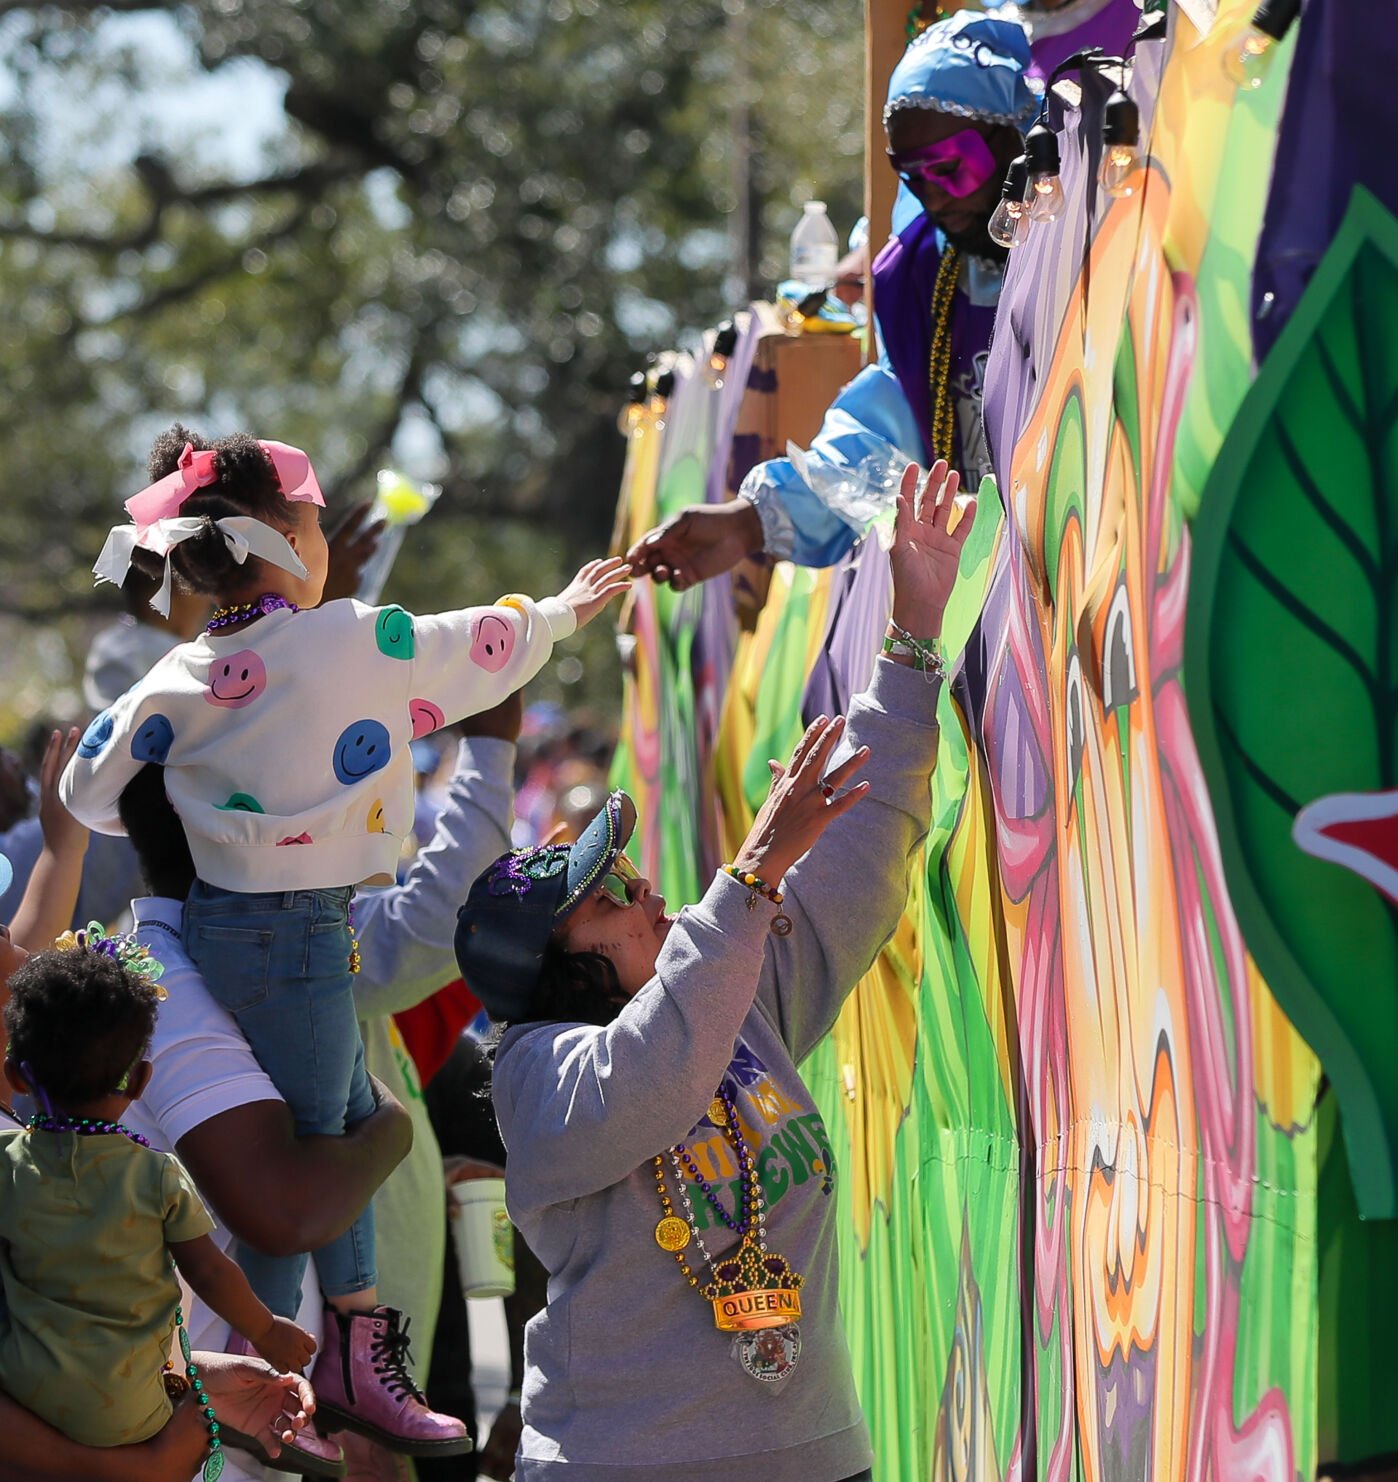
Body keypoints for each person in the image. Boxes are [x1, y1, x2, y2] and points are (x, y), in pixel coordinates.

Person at [59, 425, 629, 1454]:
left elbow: (85, 784)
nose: (324, 538)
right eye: (316, 520)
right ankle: (302, 1379)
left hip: (235, 931)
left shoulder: (183, 675)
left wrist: (196, 774)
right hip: (306, 939)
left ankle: (332, 1361)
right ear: (282, 536)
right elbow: (485, 645)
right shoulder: (352, 639)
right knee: (310, 1182)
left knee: (337, 1137)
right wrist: (571, 606)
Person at [455, 463, 973, 1480]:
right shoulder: (536, 1075)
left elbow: (859, 862)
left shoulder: (726, 978)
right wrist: (750, 877)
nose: (652, 893)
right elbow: (645, 1080)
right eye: (611, 898)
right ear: (556, 970)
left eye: (635, 875)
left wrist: (913, 632)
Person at [625, 11, 1032, 588]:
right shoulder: (921, 278)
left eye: (953, 167)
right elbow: (879, 435)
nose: (937, 199)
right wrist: (748, 522)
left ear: (1016, 133)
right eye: (913, 177)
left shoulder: (1088, 238)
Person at [0, 934, 316, 1462]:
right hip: (133, 1418)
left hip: (26, 1403)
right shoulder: (157, 1175)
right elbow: (210, 1272)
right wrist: (266, 1329)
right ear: (142, 1080)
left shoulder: (8, 1163)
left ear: (15, 1074)